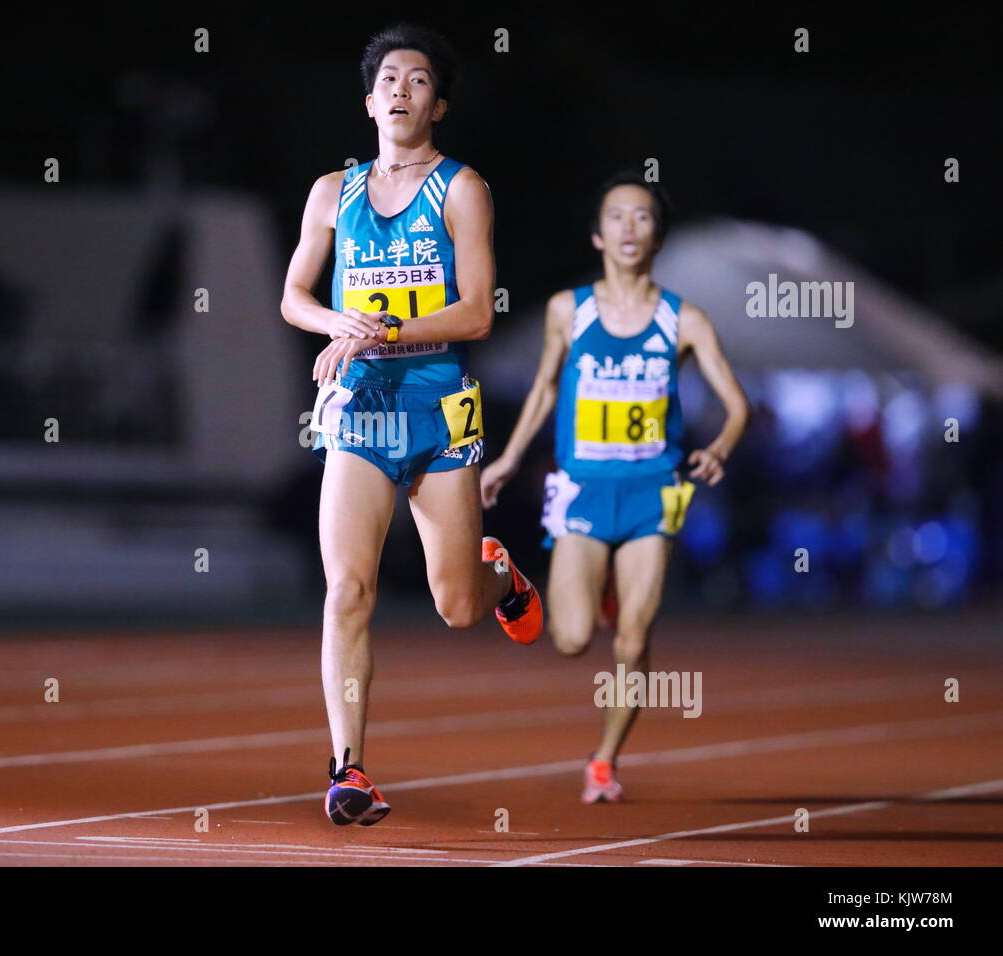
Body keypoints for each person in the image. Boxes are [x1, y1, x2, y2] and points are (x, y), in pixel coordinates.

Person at [279, 23, 543, 827]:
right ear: (368, 101)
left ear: (439, 104)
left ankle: (498, 574)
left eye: (418, 79)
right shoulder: (333, 192)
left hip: (436, 409)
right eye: (388, 78)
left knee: (456, 605)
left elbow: (476, 310)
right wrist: (337, 326)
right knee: (348, 589)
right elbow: (293, 296)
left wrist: (385, 329)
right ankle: (348, 769)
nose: (400, 89)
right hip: (358, 408)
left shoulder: (462, 189)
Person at [480, 171, 749, 803]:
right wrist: (510, 458)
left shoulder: (684, 320)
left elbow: (737, 405)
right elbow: (545, 387)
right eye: (618, 217)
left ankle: (603, 760)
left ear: (658, 236)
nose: (630, 227)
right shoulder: (566, 311)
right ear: (598, 235)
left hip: (655, 492)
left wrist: (717, 449)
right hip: (582, 490)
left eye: (643, 217)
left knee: (633, 636)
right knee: (572, 640)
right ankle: (515, 581)